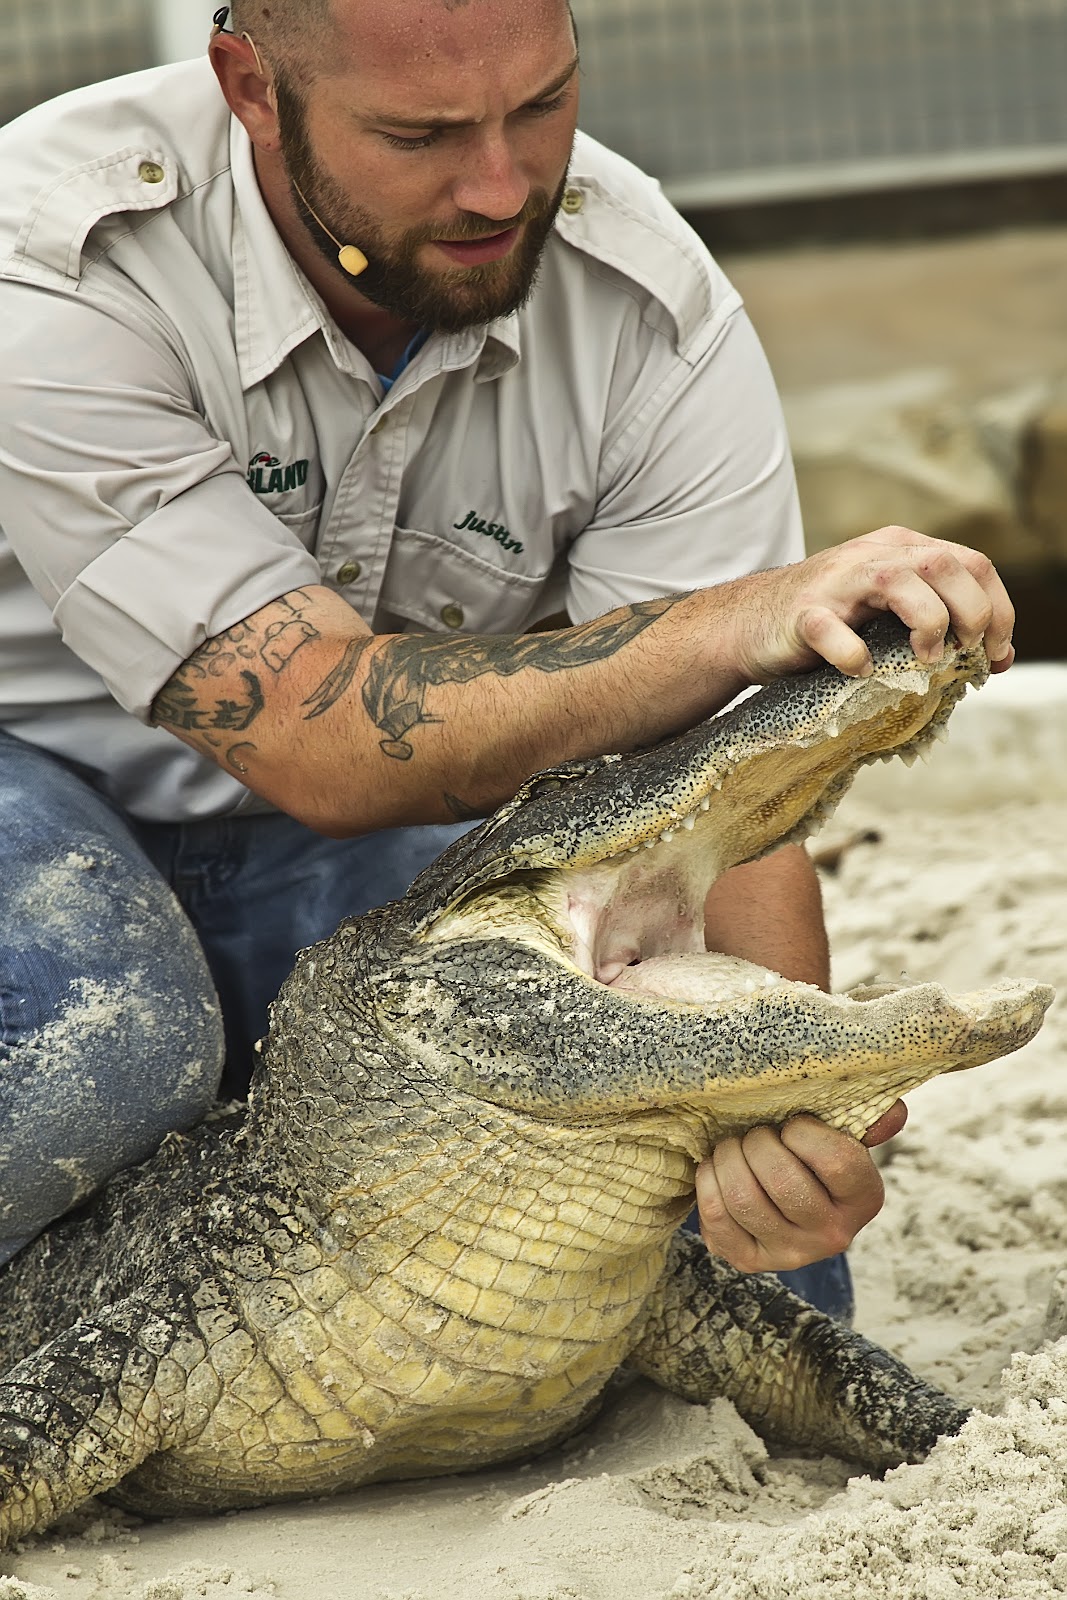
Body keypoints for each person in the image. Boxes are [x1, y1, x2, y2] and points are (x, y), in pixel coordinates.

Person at [0, 0, 1013, 1311]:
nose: (503, 184)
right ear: (251, 88)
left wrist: (774, 1116)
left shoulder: (647, 301)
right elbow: (320, 727)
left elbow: (706, 793)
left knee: (744, 1259)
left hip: (363, 848)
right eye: (419, 133)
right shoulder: (57, 253)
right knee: (114, 1044)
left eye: (541, 104)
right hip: (30, 769)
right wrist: (725, 622)